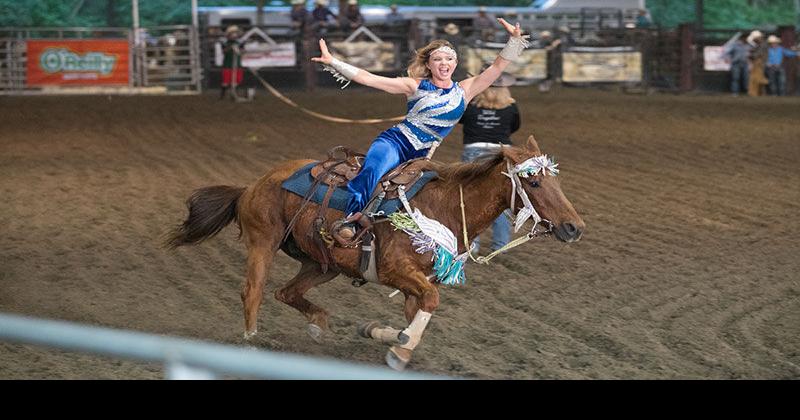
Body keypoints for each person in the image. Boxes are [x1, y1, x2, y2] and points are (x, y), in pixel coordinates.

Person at [311, 18, 529, 238]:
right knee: (372, 170)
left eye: (449, 58)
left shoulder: (466, 90)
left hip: (422, 156)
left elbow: (498, 66)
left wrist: (514, 40)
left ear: (455, 63)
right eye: (438, 59)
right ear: (429, 65)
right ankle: (350, 219)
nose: (444, 63)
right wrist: (333, 62)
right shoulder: (413, 85)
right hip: (394, 143)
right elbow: (369, 79)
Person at [458, 71, 519, 252]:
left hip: (474, 152)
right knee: (501, 200)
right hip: (501, 152)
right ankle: (501, 245)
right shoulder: (511, 107)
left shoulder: (470, 105)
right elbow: (515, 126)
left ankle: (472, 244)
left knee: (472, 198)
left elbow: (460, 120)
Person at [220, 25, 244, 100]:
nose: (234, 35)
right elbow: (224, 51)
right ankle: (222, 96)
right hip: (228, 64)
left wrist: (239, 50)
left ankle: (233, 94)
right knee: (226, 81)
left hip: (237, 64)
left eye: (235, 33)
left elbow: (242, 52)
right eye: (232, 33)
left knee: (236, 80)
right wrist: (231, 47)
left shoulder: (240, 43)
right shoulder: (225, 43)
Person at [747, 30, 768, 97]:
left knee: (757, 78)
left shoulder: (762, 45)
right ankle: (760, 93)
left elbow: (758, 54)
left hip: (759, 63)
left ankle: (756, 93)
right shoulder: (760, 45)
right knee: (758, 78)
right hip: (759, 63)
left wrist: (750, 55)